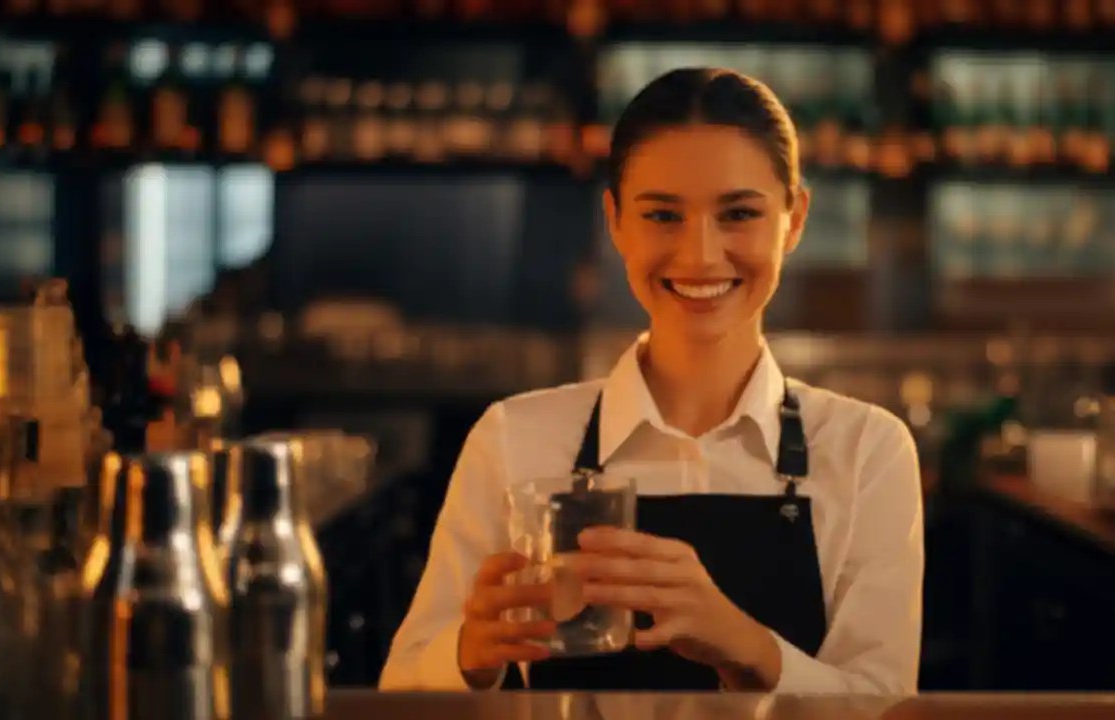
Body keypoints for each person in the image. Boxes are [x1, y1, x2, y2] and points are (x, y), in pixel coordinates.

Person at [379, 68, 923, 694]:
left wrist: (743, 644)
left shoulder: (867, 452)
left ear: (793, 219)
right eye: (663, 215)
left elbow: (884, 706)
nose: (699, 255)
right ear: (615, 222)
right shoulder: (513, 438)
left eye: (739, 213)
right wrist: (470, 657)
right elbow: (401, 692)